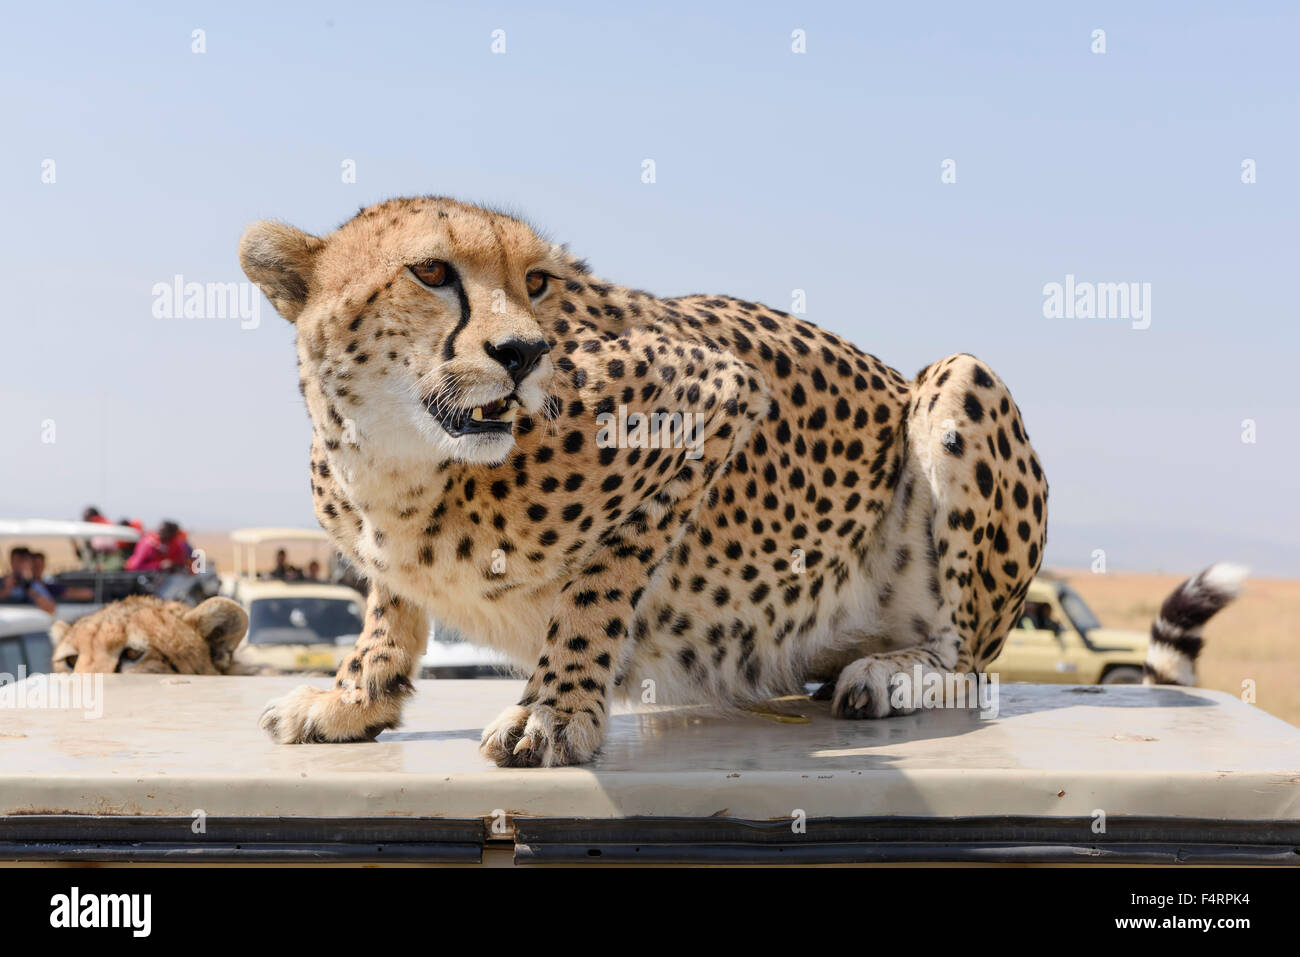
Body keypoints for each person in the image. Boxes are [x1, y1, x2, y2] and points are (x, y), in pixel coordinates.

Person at [0, 547, 56, 614]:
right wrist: (5, 590)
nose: (20, 565)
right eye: (17, 561)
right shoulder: (3, 582)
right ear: (11, 562)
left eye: (23, 561)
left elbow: (51, 608)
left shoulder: (34, 585)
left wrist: (30, 591)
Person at [125, 520, 194, 573]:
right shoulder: (148, 544)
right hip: (137, 577)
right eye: (161, 531)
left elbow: (180, 562)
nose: (160, 533)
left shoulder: (177, 545)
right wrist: (159, 565)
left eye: (164, 531)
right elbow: (136, 567)